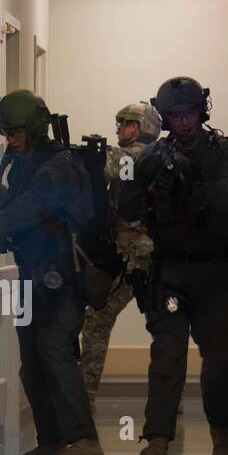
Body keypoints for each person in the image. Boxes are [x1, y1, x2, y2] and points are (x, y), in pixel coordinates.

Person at [0, 90, 108, 455]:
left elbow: (28, 208)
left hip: (61, 277)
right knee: (31, 362)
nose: (10, 140)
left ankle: (84, 441)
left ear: (32, 128)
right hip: (31, 275)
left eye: (15, 132)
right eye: (6, 133)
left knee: (55, 353)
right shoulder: (21, 165)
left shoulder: (59, 166)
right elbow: (14, 208)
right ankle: (51, 441)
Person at [119, 77, 228, 455]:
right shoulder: (153, 157)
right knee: (167, 353)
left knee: (220, 356)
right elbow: (127, 207)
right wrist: (146, 175)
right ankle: (157, 438)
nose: (184, 122)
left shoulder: (225, 153)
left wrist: (190, 183)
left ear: (201, 112)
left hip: (213, 269)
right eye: (175, 116)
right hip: (170, 269)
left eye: (189, 114)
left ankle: (222, 429)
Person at [80, 101, 161, 411]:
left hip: (133, 256)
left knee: (98, 321)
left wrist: (84, 158)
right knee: (163, 327)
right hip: (149, 256)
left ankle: (85, 398)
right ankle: (169, 399)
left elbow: (108, 169)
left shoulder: (132, 157)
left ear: (138, 128)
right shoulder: (159, 156)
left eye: (124, 123)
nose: (118, 128)